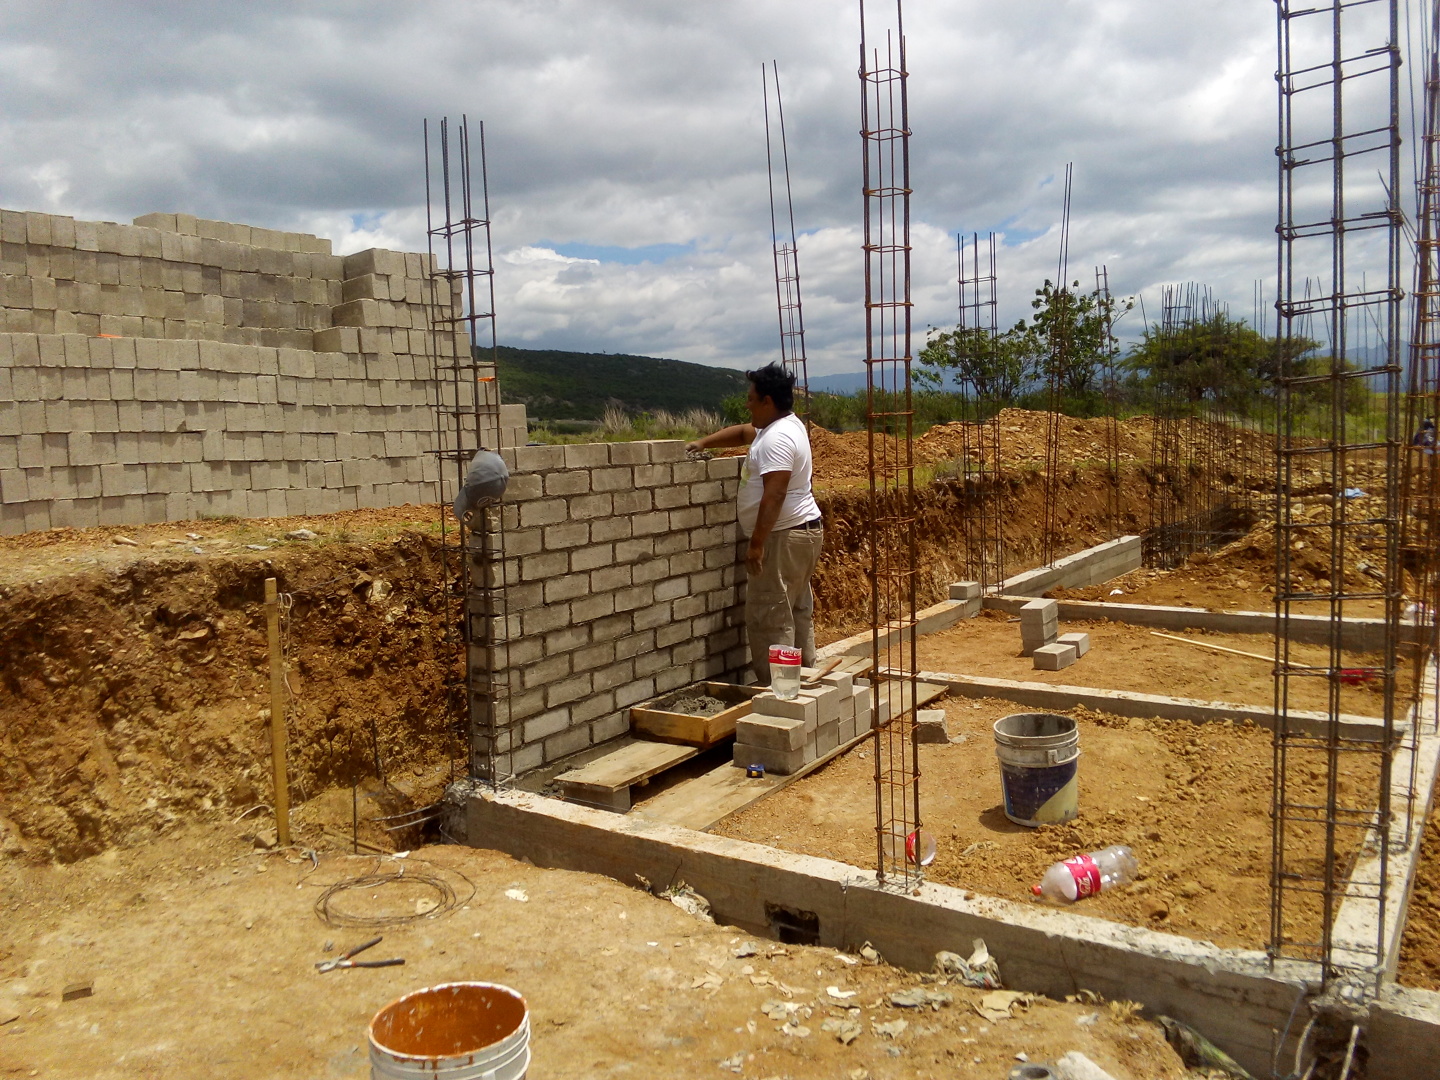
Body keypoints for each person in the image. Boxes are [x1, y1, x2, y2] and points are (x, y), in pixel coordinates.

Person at [687, 363, 822, 685]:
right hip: (802, 531)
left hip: (781, 537)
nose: (747, 404)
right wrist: (702, 443)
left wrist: (757, 545)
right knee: (795, 609)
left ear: (767, 402)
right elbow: (745, 432)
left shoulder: (777, 440)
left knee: (770, 616)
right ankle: (806, 681)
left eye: (751, 398)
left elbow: (774, 494)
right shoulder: (784, 426)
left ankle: (780, 692)